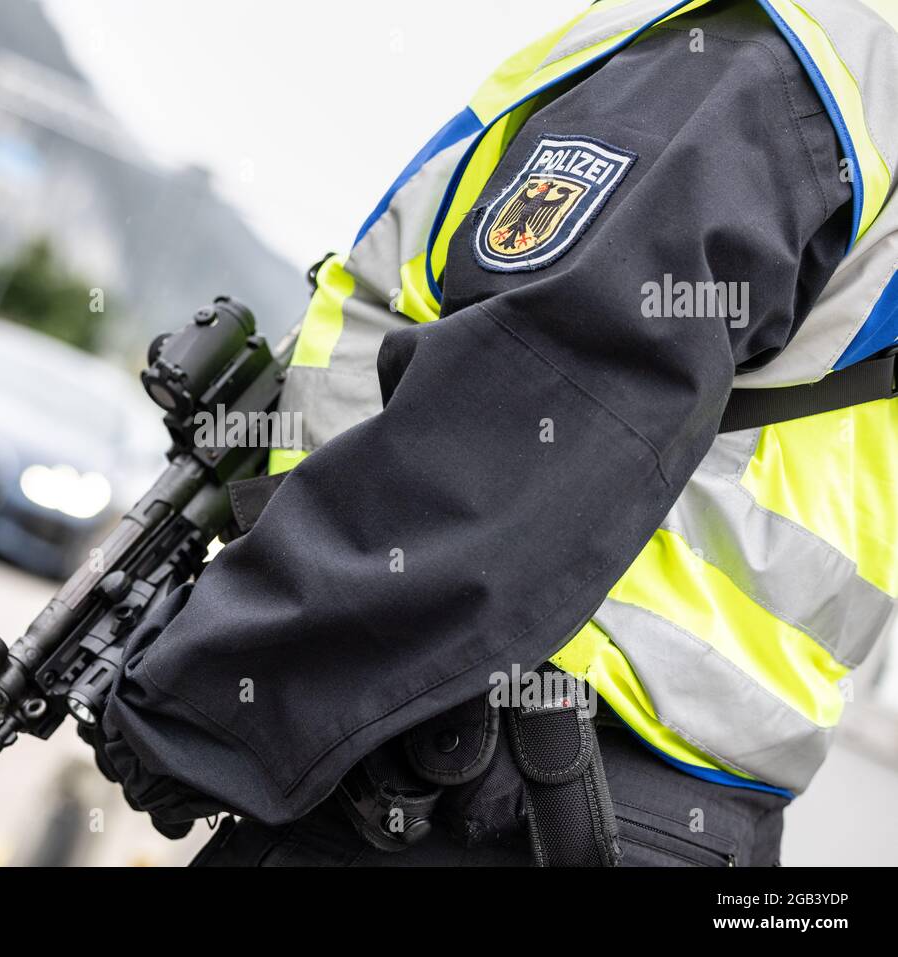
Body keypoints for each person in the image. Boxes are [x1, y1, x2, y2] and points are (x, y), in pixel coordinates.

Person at [85, 0, 898, 865]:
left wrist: (225, 705)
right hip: (676, 814)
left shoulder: (781, 44)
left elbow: (524, 421)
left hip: (498, 779)